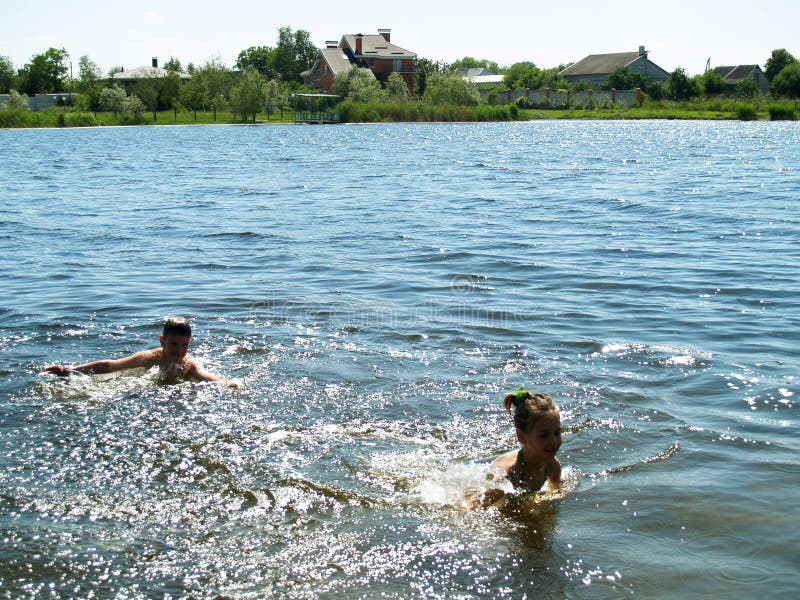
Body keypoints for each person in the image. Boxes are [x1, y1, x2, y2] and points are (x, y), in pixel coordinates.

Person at [45, 316, 236, 386]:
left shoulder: (189, 364)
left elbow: (205, 376)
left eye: (185, 345)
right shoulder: (149, 358)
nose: (180, 351)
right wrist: (72, 370)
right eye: (174, 344)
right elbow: (111, 365)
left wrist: (227, 383)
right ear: (162, 341)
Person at [466, 386, 562, 509]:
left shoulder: (552, 466)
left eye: (557, 433)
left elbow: (555, 492)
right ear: (522, 437)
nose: (554, 441)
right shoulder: (505, 477)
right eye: (544, 436)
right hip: (486, 478)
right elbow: (469, 508)